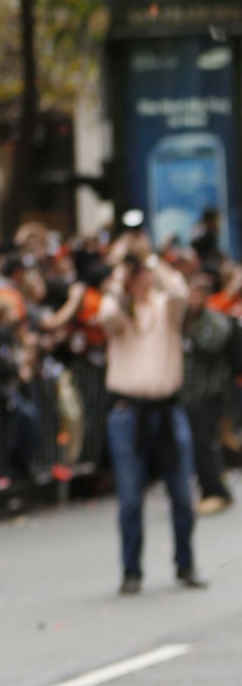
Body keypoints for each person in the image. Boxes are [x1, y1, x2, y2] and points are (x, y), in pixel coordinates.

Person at [99, 254, 204, 593]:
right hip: (128, 413)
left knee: (182, 494)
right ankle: (131, 571)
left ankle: (185, 564)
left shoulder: (165, 307)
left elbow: (180, 293)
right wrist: (120, 273)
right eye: (137, 275)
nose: (141, 279)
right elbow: (105, 314)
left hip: (168, 410)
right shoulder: (121, 311)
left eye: (143, 274)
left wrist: (151, 259)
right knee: (130, 498)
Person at [182, 271, 235, 515]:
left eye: (196, 294)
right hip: (189, 392)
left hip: (210, 392)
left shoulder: (215, 320)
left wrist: (190, 326)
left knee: (205, 442)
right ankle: (211, 487)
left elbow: (210, 346)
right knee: (199, 443)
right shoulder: (185, 320)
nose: (191, 299)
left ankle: (216, 492)